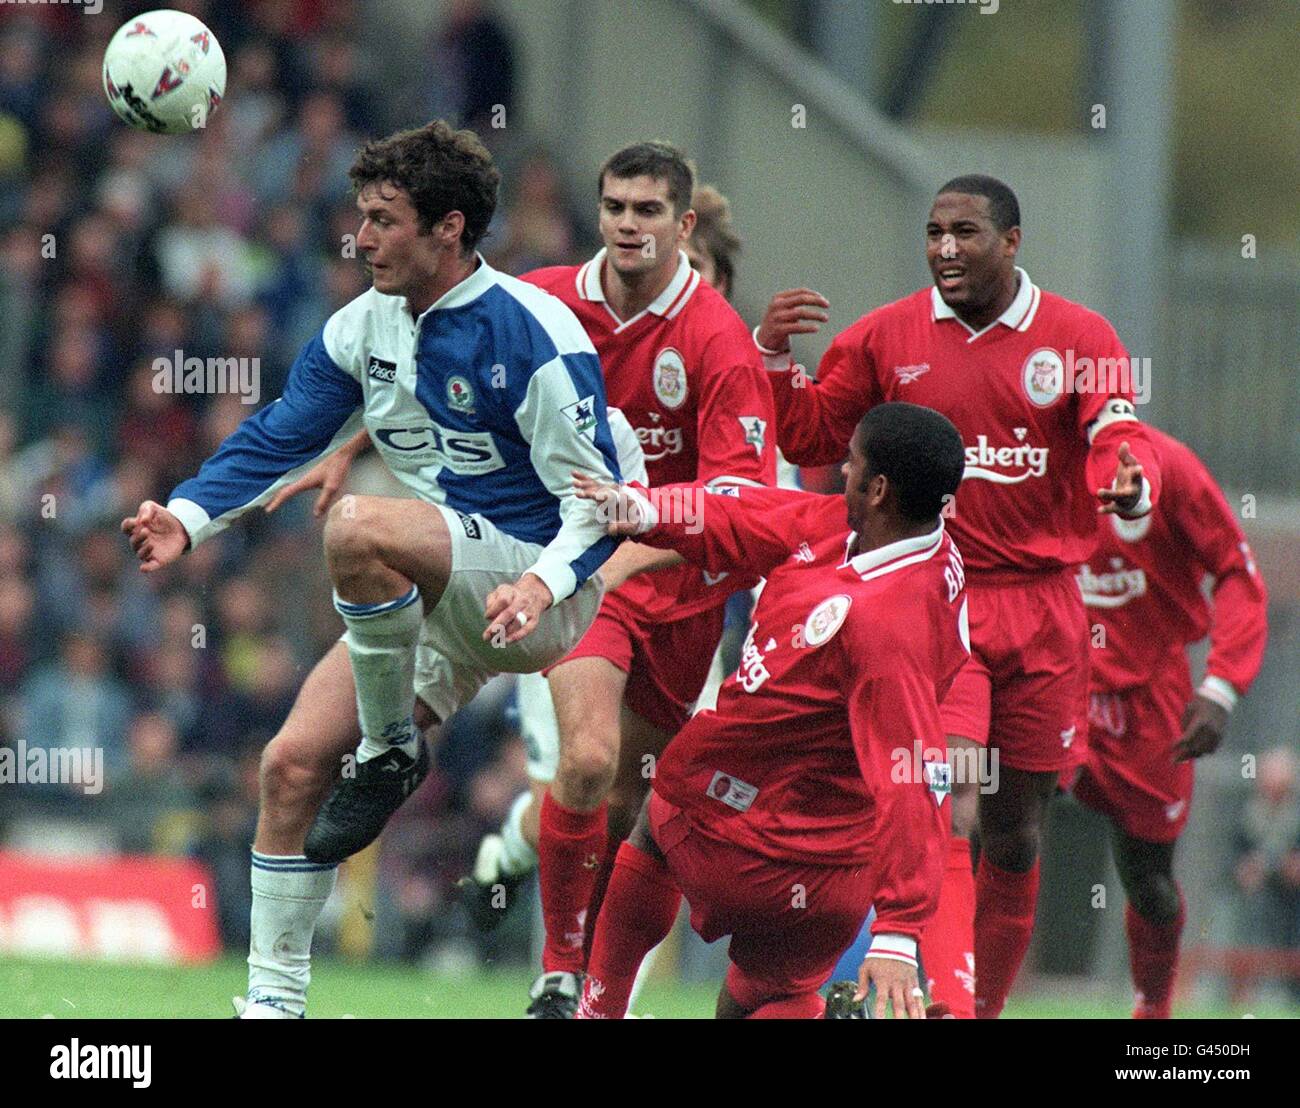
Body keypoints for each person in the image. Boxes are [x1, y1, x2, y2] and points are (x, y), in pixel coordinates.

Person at [121, 120, 626, 1019]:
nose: (361, 238)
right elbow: (284, 432)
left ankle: (394, 749)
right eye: (361, 217)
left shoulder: (534, 335)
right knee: (289, 765)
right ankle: (273, 1002)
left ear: (450, 228)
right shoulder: (363, 326)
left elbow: (600, 501)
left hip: (539, 591)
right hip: (440, 592)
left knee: (355, 524)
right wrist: (187, 515)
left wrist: (541, 584)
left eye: (385, 220)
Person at [752, 175, 1161, 1017]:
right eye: (934, 231)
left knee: (1014, 831)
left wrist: (1131, 481)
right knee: (948, 803)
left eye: (965, 232)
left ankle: (977, 1007)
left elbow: (1115, 431)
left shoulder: (1079, 337)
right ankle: (910, 981)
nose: (944, 248)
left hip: (1045, 612)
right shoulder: (885, 336)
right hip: (941, 600)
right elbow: (810, 438)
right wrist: (773, 360)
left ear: (1012, 242)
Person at [573, 402, 970, 1019]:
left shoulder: (888, 624)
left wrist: (897, 933)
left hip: (736, 813)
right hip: (835, 870)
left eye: (853, 463)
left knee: (657, 818)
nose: (841, 470)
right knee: (768, 996)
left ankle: (595, 1012)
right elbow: (749, 513)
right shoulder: (902, 540)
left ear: (880, 488)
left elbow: (916, 769)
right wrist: (647, 511)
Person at [507, 145, 780, 1017]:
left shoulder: (717, 341)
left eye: (649, 211)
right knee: (586, 760)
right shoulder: (541, 299)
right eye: (616, 206)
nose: (629, 223)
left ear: (682, 224)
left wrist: (642, 534)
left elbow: (738, 499)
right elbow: (446, 377)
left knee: (642, 810)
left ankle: (602, 994)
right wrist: (353, 446)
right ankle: (557, 973)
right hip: (584, 576)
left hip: (685, 593)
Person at [1068, 425, 1268, 1018]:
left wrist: (1222, 686)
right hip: (1047, 675)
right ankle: (964, 994)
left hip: (1147, 697)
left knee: (1148, 879)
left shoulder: (1171, 466)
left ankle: (1153, 1012)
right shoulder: (1017, 453)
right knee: (994, 826)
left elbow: (1237, 569)